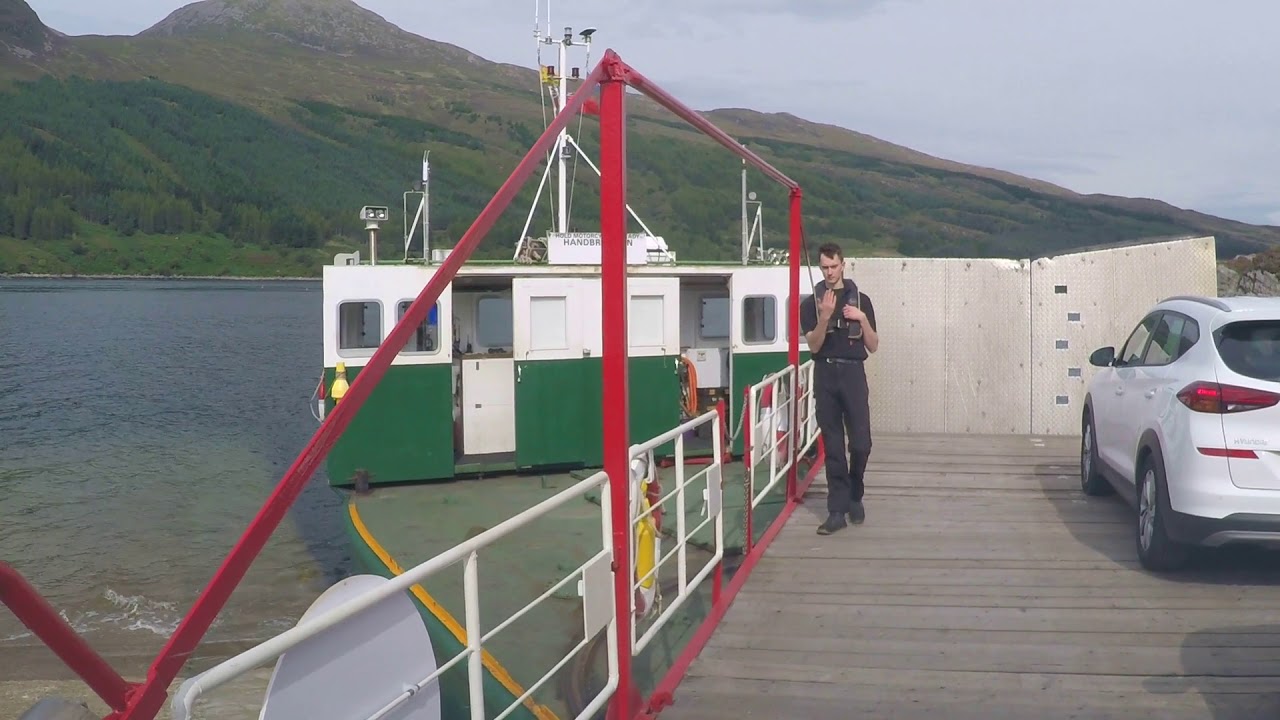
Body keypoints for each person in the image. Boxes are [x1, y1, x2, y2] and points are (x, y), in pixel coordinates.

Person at [799, 242, 879, 535]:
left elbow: (872, 345)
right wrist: (823, 317)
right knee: (833, 445)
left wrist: (863, 319)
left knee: (861, 443)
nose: (830, 272)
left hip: (853, 372)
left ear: (843, 264)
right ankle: (836, 510)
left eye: (834, 266)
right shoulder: (810, 304)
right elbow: (814, 344)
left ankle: (855, 491)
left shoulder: (862, 300)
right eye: (825, 268)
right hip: (826, 372)